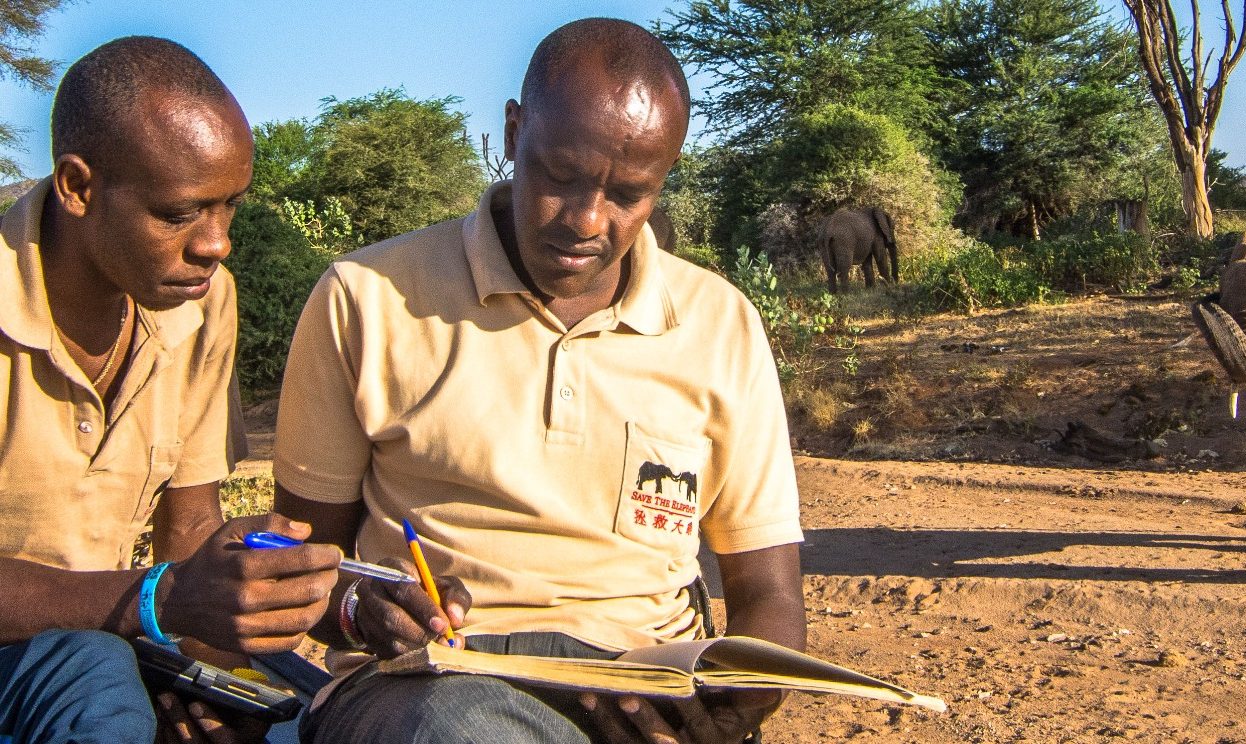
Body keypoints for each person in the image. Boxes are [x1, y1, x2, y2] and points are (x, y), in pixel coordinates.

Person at [275, 18, 805, 744]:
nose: (586, 220)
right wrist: (361, 610)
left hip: (641, 688)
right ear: (513, 131)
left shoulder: (721, 324)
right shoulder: (366, 298)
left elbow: (768, 592)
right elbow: (298, 564)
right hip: (431, 685)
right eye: (560, 176)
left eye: (629, 194)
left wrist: (736, 700)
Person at [0, 37, 341, 743]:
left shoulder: (203, 303)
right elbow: (158, 595)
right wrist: (155, 601)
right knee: (91, 672)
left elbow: (188, 523)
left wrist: (203, 675)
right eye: (179, 213)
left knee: (300, 712)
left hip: (111, 640)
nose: (216, 243)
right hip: (68, 657)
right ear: (78, 187)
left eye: (230, 207)